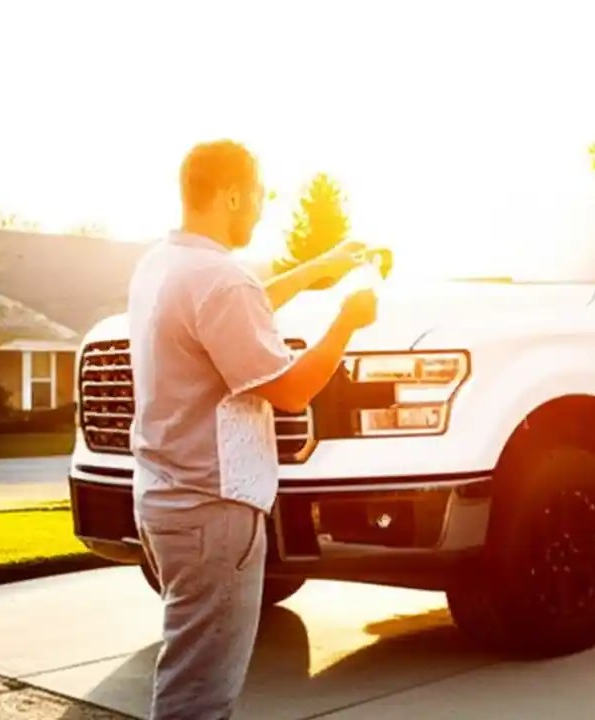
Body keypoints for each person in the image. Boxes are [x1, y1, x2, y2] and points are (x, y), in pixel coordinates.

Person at [128, 139, 377, 719]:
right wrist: (347, 321)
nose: (263, 208)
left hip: (165, 503)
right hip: (213, 514)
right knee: (199, 699)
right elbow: (290, 392)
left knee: (189, 675)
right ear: (233, 194)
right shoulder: (219, 280)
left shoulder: (164, 264)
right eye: (260, 195)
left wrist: (317, 269)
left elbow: (237, 307)